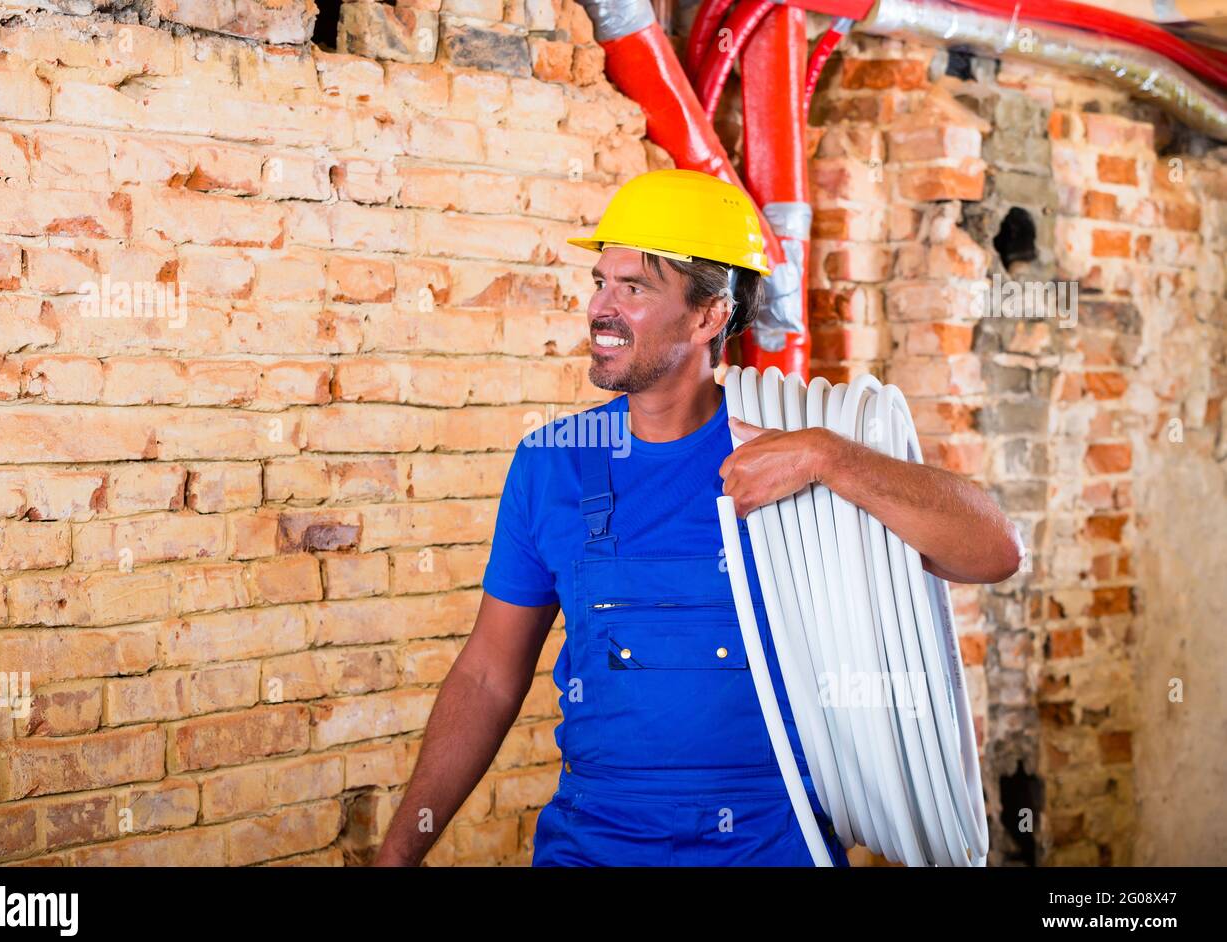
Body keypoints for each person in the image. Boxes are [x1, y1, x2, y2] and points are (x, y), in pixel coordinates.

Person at [374, 168, 1023, 867]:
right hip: (596, 844)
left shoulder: (797, 446)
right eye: (600, 281)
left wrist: (836, 461)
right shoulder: (552, 463)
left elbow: (995, 551)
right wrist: (397, 857)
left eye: (634, 288)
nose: (599, 307)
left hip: (774, 843)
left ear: (710, 314)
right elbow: (488, 677)